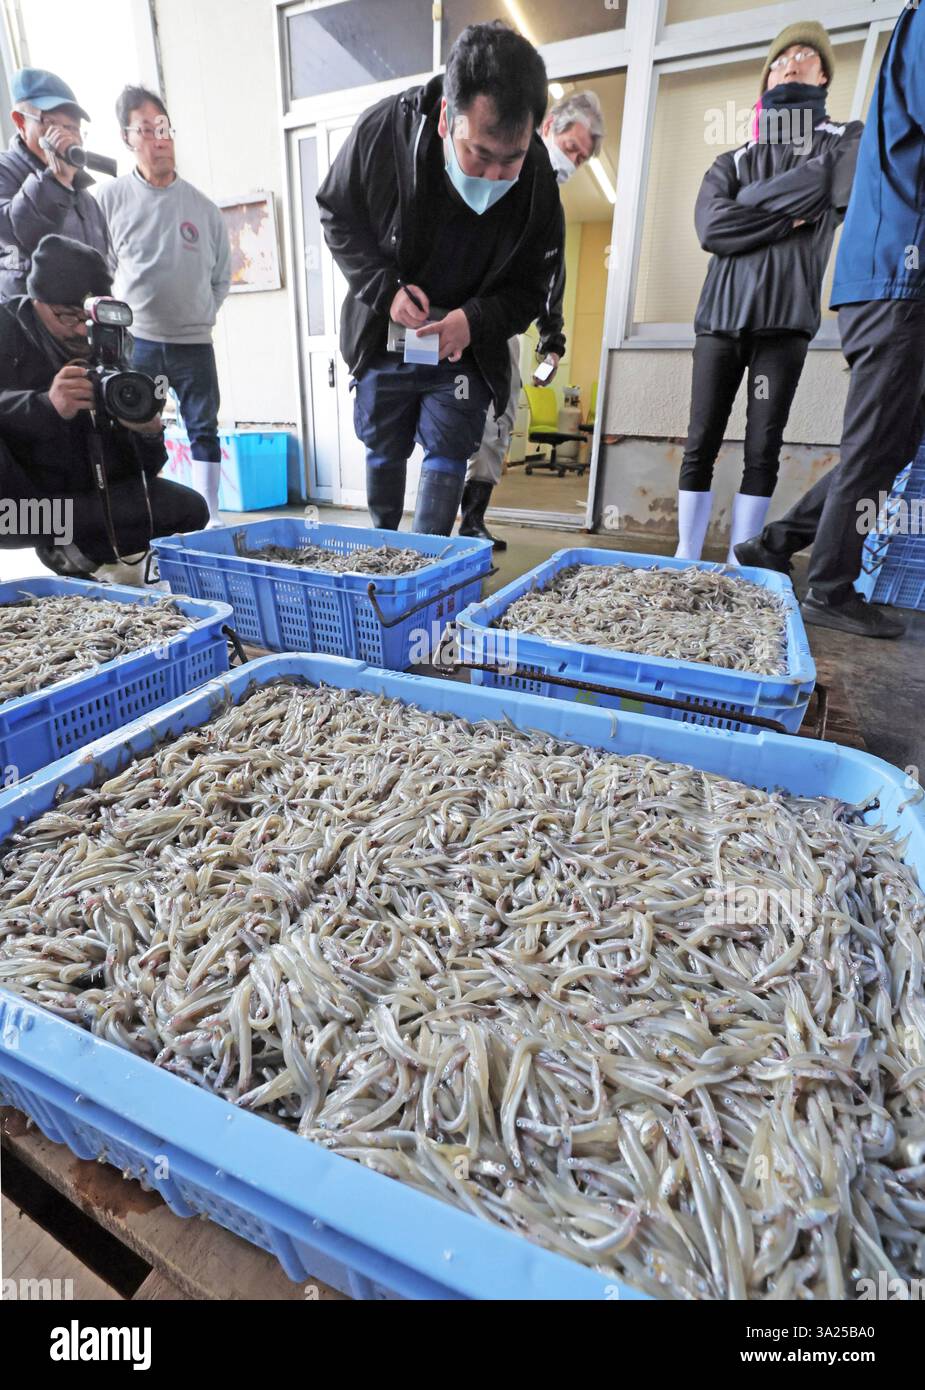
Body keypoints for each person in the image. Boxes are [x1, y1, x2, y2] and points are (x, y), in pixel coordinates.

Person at [317, 21, 564, 536]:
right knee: (383, 441)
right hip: (389, 332)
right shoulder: (385, 130)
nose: (494, 176)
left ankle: (428, 561)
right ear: (448, 118)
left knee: (451, 446)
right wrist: (384, 290)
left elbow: (534, 287)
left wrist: (474, 322)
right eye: (479, 154)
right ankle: (382, 544)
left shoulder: (538, 178)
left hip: (464, 348)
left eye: (510, 159)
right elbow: (337, 215)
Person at [736, 7, 925, 638]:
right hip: (897, 275)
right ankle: (830, 587)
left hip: (890, 274)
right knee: (875, 442)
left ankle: (776, 543)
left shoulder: (845, 131)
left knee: (891, 442)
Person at [676, 22, 862, 565]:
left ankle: (742, 560)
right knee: (700, 441)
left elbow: (836, 185)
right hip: (719, 319)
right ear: (766, 78)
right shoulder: (730, 160)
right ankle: (686, 554)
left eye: (804, 56)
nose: (791, 64)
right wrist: (789, 219)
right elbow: (712, 229)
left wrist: (752, 206)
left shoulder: (844, 138)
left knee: (763, 447)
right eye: (780, 60)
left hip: (784, 322)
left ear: (824, 73)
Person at [0, 234, 208, 581]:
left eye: (88, 318)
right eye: (67, 316)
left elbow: (142, 469)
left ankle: (79, 551)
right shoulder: (7, 328)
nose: (80, 329)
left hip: (83, 498)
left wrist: (148, 432)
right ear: (37, 300)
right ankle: (69, 545)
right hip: (17, 509)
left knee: (190, 510)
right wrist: (45, 406)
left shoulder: (109, 342)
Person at [461, 91, 604, 551]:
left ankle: (472, 520)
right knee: (456, 419)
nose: (572, 159)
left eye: (581, 157)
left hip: (505, 327)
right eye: (570, 145)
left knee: (499, 420)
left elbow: (550, 278)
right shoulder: (495, 182)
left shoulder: (551, 213)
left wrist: (553, 337)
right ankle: (435, 526)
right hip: (461, 321)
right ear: (546, 129)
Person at [97, 86, 231, 525]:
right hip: (140, 342)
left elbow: (221, 278)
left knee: (204, 429)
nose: (160, 139)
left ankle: (208, 518)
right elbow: (103, 271)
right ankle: (148, 518)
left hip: (194, 342)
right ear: (126, 137)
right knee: (137, 428)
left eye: (164, 128)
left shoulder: (204, 209)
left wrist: (201, 314)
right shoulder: (109, 200)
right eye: (147, 129)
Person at [0, 68, 110, 300]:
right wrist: (56, 180)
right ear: (20, 121)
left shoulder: (84, 196)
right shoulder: (5, 172)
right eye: (51, 123)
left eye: (72, 128)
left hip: (80, 327)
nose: (65, 137)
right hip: (26, 327)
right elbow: (13, 233)